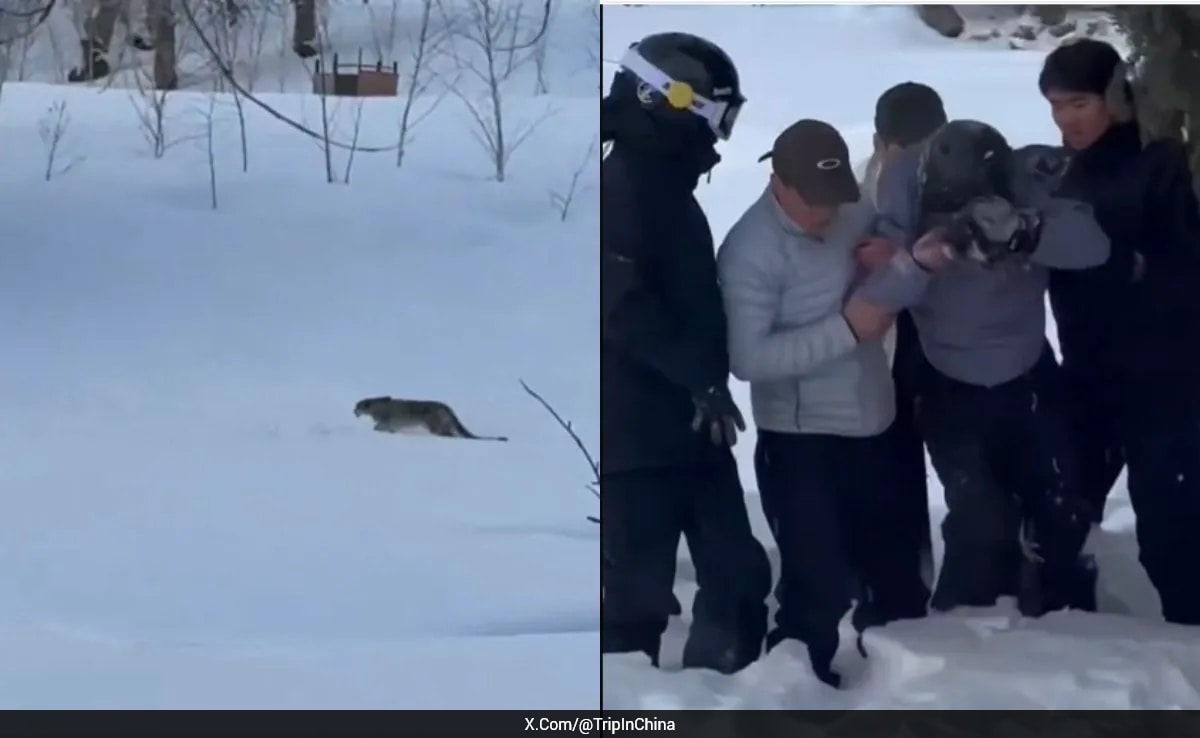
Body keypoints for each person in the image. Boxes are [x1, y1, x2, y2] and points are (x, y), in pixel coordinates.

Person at [852, 119, 1110, 616]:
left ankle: (1067, 620)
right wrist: (920, 261)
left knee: (1061, 506)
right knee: (980, 518)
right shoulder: (905, 190)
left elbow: (1093, 244)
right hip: (948, 382)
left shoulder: (1026, 179)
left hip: (1029, 373)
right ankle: (964, 629)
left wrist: (1023, 233)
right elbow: (876, 293)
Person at [717, 119, 930, 688]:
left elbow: (890, 242)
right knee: (817, 584)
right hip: (801, 443)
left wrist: (891, 255)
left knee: (895, 574)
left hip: (875, 426)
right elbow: (748, 358)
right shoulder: (749, 251)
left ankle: (910, 693)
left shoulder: (852, 207)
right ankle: (794, 693)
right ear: (779, 182)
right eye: (814, 201)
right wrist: (848, 329)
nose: (828, 213)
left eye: (836, 199)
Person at [600, 31, 771, 674]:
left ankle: (723, 697)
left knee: (737, 574)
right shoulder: (621, 189)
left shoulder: (664, 184)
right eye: (714, 115)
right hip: (637, 434)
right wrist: (700, 378)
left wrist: (707, 385)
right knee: (637, 595)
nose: (718, 135)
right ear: (665, 103)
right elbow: (622, 310)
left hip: (694, 423)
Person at [1039, 39, 1200, 625]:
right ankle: (1057, 643)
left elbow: (1179, 273)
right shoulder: (1057, 173)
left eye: (1078, 103)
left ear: (1115, 97)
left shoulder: (1161, 165)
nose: (1065, 119)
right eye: (1055, 106)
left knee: (1171, 534)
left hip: (1165, 383)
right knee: (1060, 517)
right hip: (1088, 375)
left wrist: (1118, 263)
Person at [863, 82, 951, 601]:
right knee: (894, 474)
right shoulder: (859, 194)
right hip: (884, 349)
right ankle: (905, 584)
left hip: (947, 346)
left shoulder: (966, 177)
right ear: (881, 145)